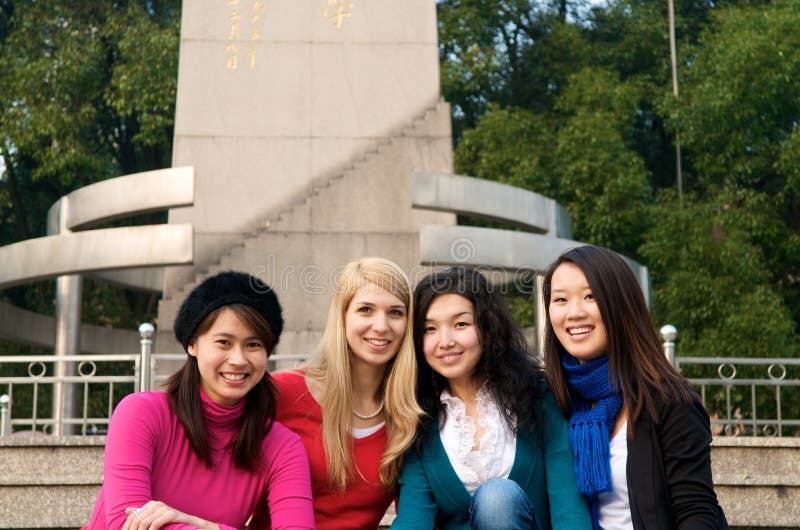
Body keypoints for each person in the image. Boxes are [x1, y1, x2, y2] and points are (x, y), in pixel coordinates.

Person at [84, 271, 315, 530]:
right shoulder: (140, 414)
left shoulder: (282, 447)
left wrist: (205, 525)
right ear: (192, 345)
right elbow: (125, 524)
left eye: (253, 345)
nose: (238, 359)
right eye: (224, 342)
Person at [542, 245, 729, 530]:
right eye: (561, 300)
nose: (574, 313)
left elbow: (696, 512)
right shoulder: (550, 399)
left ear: (620, 305)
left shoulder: (668, 401)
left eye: (590, 296)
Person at [391, 266, 591, 530]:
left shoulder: (536, 394)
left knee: (497, 498)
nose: (445, 341)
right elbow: (413, 517)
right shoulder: (420, 419)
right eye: (430, 329)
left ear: (488, 327)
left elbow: (567, 500)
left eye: (460, 324)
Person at [268, 257, 422, 530]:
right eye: (366, 310)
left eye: (396, 312)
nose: (381, 326)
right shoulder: (282, 393)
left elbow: (416, 515)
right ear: (342, 316)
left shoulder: (409, 414)